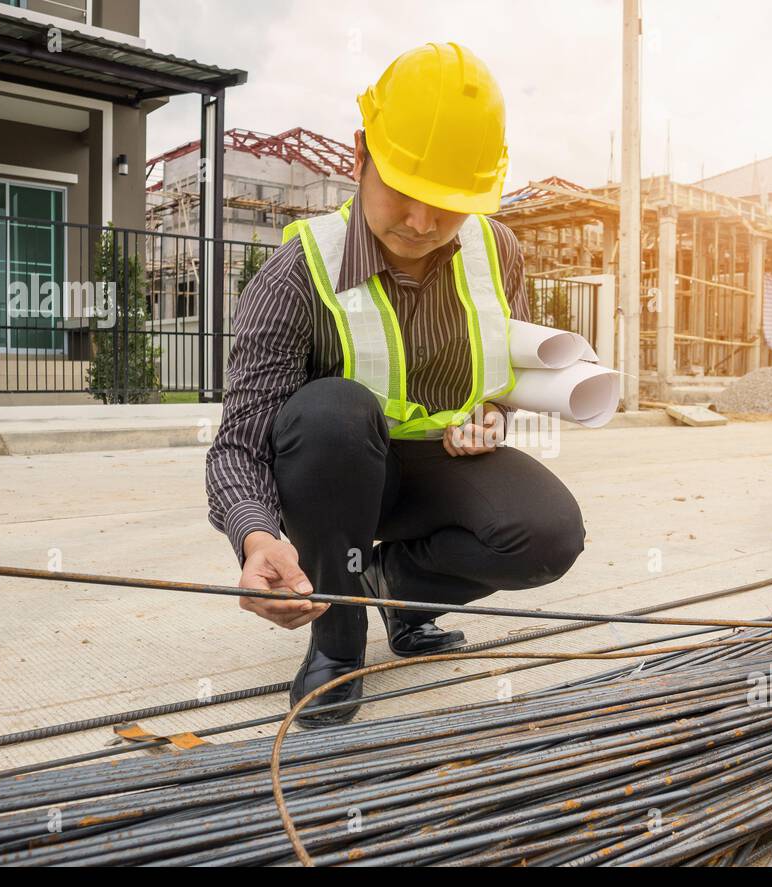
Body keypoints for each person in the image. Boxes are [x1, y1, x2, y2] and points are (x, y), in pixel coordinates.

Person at [205, 42, 586, 728]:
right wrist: (256, 537)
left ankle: (396, 591)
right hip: (338, 481)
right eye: (403, 190)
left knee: (548, 536)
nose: (420, 222)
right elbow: (238, 447)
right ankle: (338, 645)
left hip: (439, 468)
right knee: (333, 412)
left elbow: (506, 358)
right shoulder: (296, 275)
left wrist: (492, 412)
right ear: (360, 156)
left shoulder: (498, 251)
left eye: (446, 203)